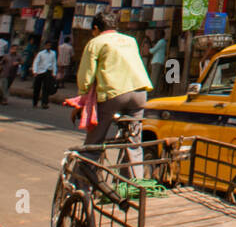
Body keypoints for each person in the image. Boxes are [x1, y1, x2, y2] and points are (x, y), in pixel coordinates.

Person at [76, 13, 153, 172]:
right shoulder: (130, 40)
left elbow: (86, 76)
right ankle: (131, 186)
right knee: (133, 143)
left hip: (114, 93)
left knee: (94, 143)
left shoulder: (96, 42)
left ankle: (82, 184)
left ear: (96, 28)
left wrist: (82, 96)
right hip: (139, 92)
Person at [31, 40, 58, 108]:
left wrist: (54, 72)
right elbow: (36, 62)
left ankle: (44, 103)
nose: (48, 46)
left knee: (46, 88)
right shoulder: (41, 53)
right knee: (37, 88)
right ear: (45, 46)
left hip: (48, 72)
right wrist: (35, 71)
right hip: (40, 71)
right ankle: (35, 102)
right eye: (47, 45)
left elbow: (54, 63)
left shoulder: (53, 53)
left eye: (49, 45)